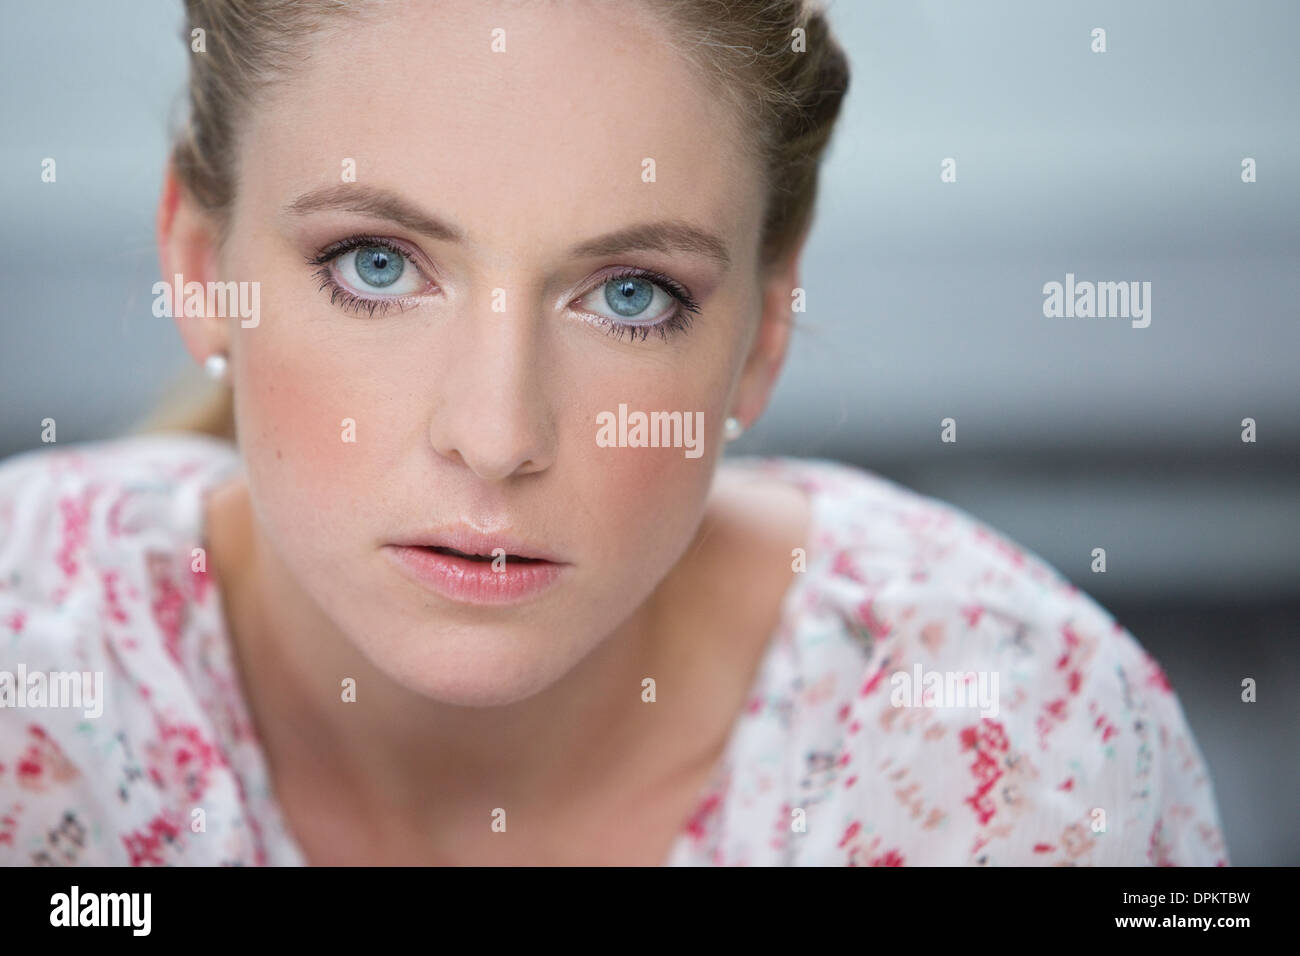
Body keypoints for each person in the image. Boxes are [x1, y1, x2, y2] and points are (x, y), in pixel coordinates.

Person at [0, 0, 1226, 866]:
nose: (494, 436)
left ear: (758, 336)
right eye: (375, 266)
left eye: (630, 293)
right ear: (202, 265)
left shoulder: (1024, 754)